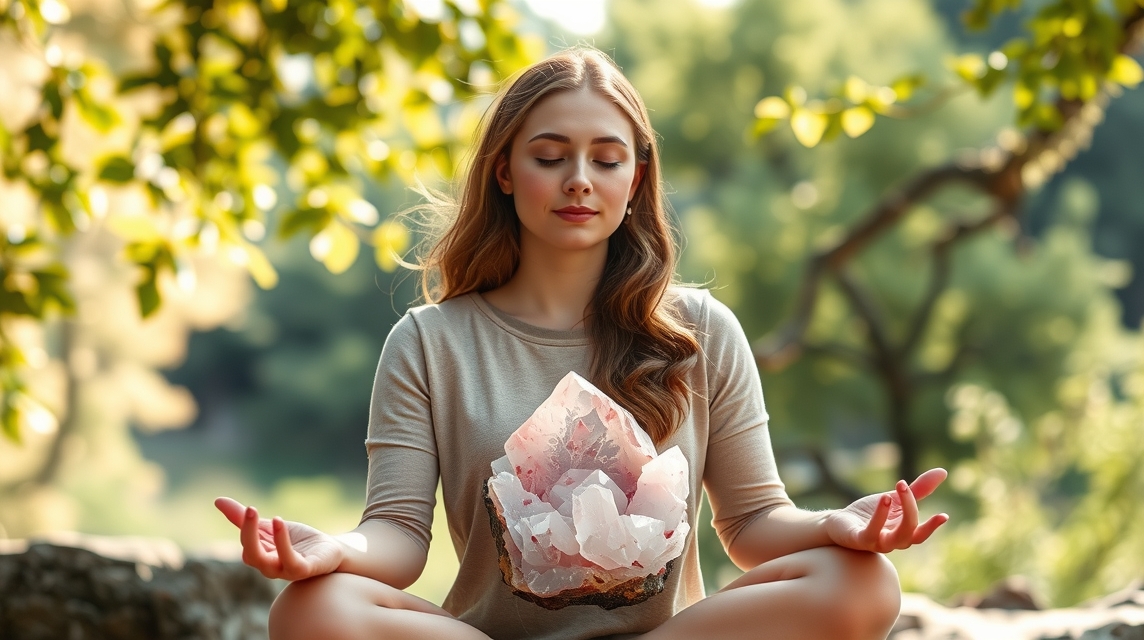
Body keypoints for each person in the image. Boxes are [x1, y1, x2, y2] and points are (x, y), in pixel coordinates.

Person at [214, 46, 949, 640]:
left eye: (606, 158)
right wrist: (335, 552)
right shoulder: (428, 342)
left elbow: (754, 526)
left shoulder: (701, 331)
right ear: (504, 169)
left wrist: (839, 525)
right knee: (309, 611)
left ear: (636, 177)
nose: (578, 181)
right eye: (550, 155)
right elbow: (399, 538)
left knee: (863, 582)